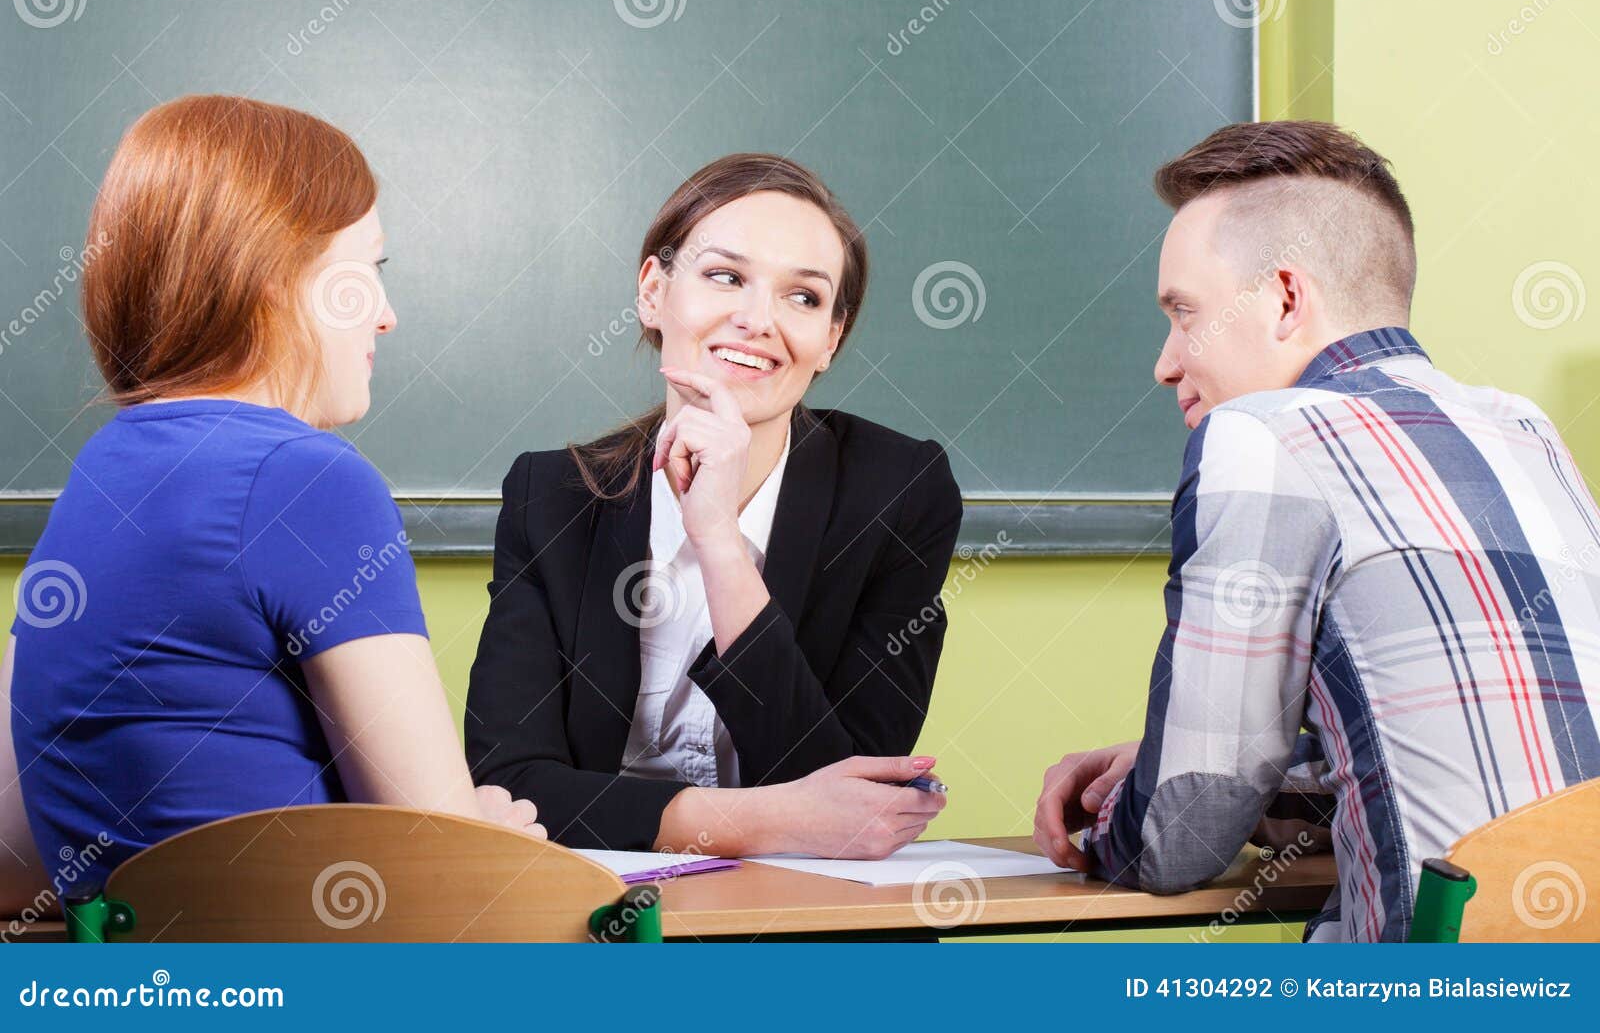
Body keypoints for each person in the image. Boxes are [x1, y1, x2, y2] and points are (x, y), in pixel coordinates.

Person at [1033, 120, 1600, 941]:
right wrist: (1230, 774)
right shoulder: (1526, 431)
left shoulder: (1262, 434)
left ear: (1286, 299)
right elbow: (1457, 760)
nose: (1166, 361)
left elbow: (1176, 842)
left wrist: (1138, 799)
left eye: (1184, 313)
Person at [1, 95, 542, 903]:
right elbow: (448, 873)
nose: (386, 318)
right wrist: (485, 828)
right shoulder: (311, 480)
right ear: (272, 280)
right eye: (365, 276)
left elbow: (13, 864)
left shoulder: (102, 470)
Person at [467, 153, 963, 856]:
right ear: (653, 291)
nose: (757, 320)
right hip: (606, 926)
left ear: (832, 338)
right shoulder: (551, 501)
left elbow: (852, 797)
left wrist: (719, 542)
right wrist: (760, 821)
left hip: (811, 930)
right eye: (725, 277)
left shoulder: (898, 492)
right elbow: (511, 789)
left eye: (803, 298)